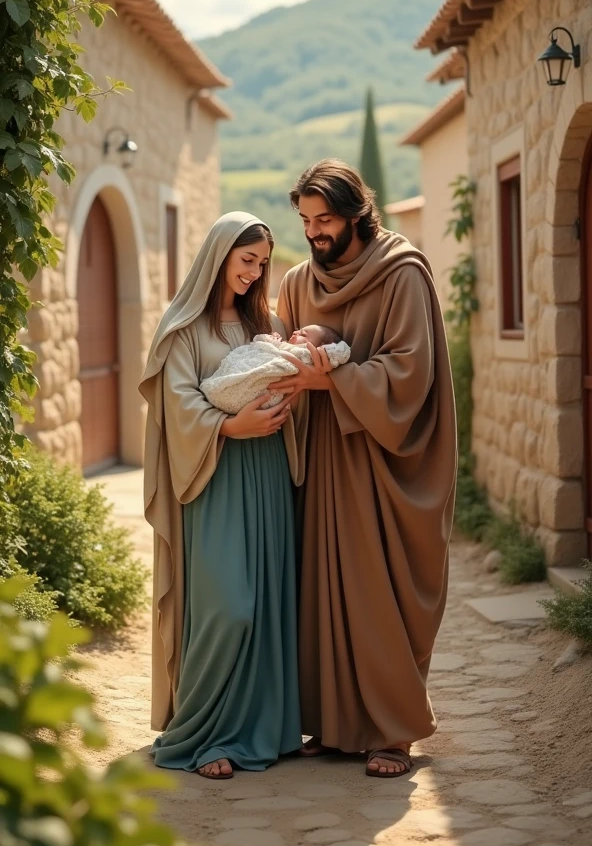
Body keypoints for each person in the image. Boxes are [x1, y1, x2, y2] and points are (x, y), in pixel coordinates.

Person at [272, 159, 457, 779]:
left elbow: (410, 371)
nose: (314, 232)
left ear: (356, 214)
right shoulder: (297, 281)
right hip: (322, 458)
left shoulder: (401, 273)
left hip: (382, 460)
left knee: (381, 594)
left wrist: (332, 377)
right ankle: (333, 726)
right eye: (305, 221)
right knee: (321, 590)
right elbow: (278, 353)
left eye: (324, 219)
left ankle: (391, 733)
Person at [139, 212, 306, 780]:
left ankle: (262, 728)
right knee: (227, 607)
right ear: (219, 256)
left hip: (267, 474)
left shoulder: (266, 322)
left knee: (267, 603)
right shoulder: (184, 328)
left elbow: (286, 379)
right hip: (212, 477)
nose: (255, 272)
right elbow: (178, 404)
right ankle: (203, 733)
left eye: (262, 263)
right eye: (246, 260)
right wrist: (232, 426)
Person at [201, 324, 350, 414]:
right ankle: (222, 384)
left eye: (303, 335)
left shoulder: (305, 355)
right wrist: (271, 341)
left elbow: (339, 352)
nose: (296, 332)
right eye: (297, 330)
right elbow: (260, 345)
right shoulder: (283, 345)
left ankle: (224, 389)